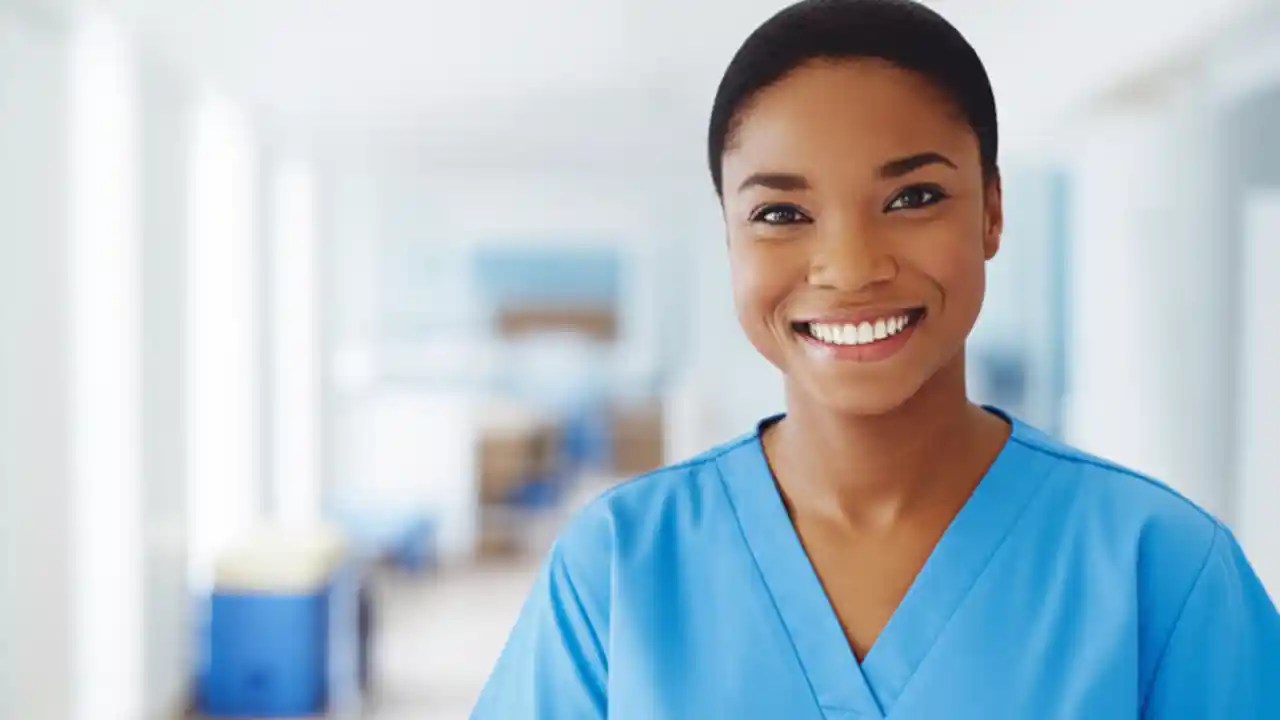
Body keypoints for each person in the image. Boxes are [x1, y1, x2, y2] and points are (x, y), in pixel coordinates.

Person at [472, 0, 1280, 717]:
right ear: (728, 236)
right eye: (782, 212)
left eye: (914, 198)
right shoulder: (619, 570)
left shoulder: (1163, 571)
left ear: (992, 211)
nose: (851, 267)